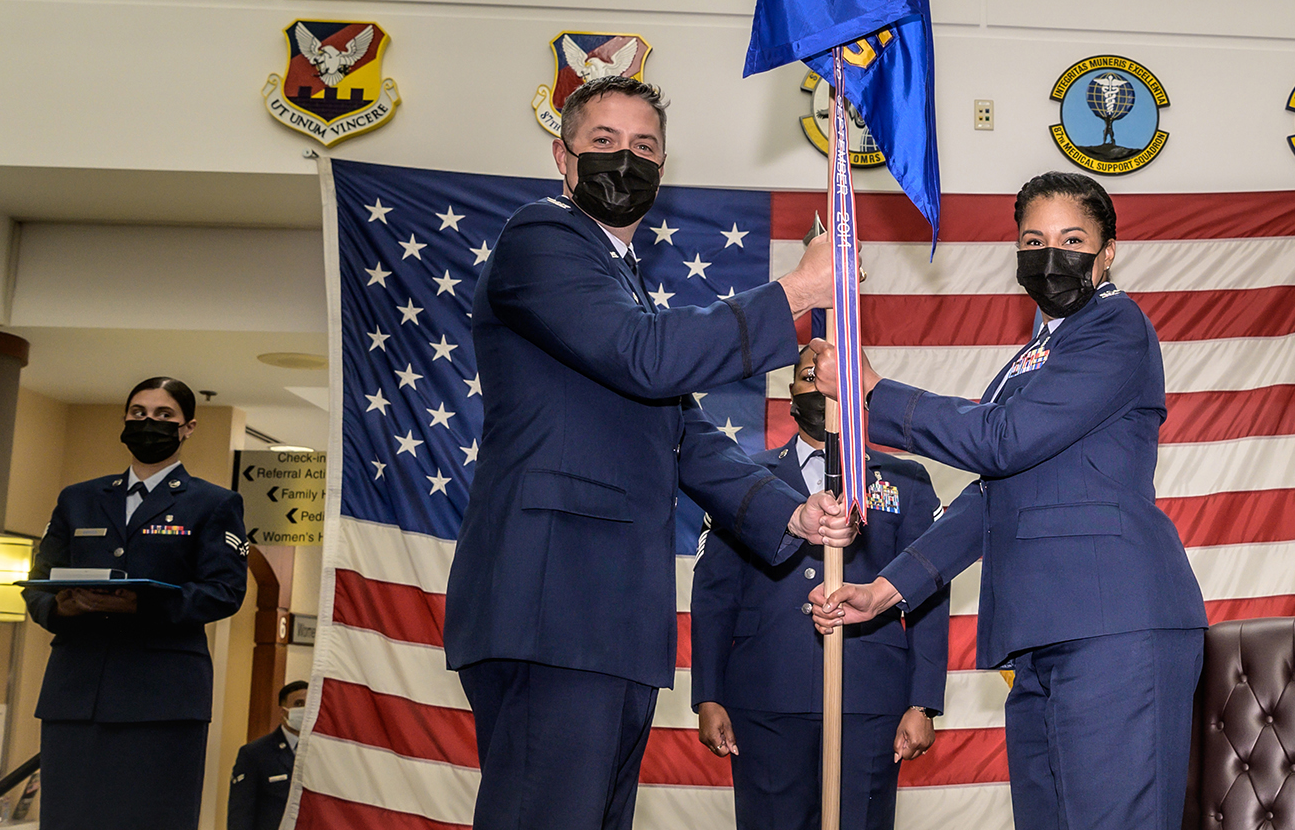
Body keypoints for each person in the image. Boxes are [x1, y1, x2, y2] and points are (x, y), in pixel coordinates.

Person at [444, 74, 854, 830]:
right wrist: (796, 292)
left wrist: (789, 514)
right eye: (603, 141)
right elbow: (647, 359)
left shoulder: (620, 278)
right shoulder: (543, 239)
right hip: (554, 602)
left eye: (644, 146)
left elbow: (678, 430)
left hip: (609, 614)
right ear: (562, 157)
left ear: (662, 168)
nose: (624, 160)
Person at [808, 171, 1207, 830]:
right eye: (1034, 240)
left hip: (1112, 625)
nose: (1051, 256)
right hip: (1042, 637)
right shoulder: (1032, 357)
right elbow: (994, 495)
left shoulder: (1113, 327)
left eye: (1072, 240)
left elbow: (1002, 441)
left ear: (1108, 252)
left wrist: (871, 391)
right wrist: (886, 590)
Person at [691, 344, 946, 830]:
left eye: (830, 375)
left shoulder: (905, 481)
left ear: (855, 390)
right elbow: (715, 595)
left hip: (869, 699)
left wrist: (922, 702)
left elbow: (927, 595)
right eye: (807, 375)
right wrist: (708, 695)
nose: (818, 384)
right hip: (766, 696)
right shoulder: (747, 480)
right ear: (790, 393)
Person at [24, 376, 248, 830]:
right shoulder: (79, 498)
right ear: (124, 420)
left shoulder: (214, 503)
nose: (149, 423)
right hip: (77, 691)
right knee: (70, 819)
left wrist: (144, 606)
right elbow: (39, 582)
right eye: (138, 413)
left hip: (162, 697)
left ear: (188, 427)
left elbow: (224, 591)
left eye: (164, 415)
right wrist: (61, 609)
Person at [227, 680, 308, 830]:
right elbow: (241, 813)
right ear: (283, 711)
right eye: (298, 704)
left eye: (309, 705)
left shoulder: (321, 752)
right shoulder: (255, 753)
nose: (305, 710)